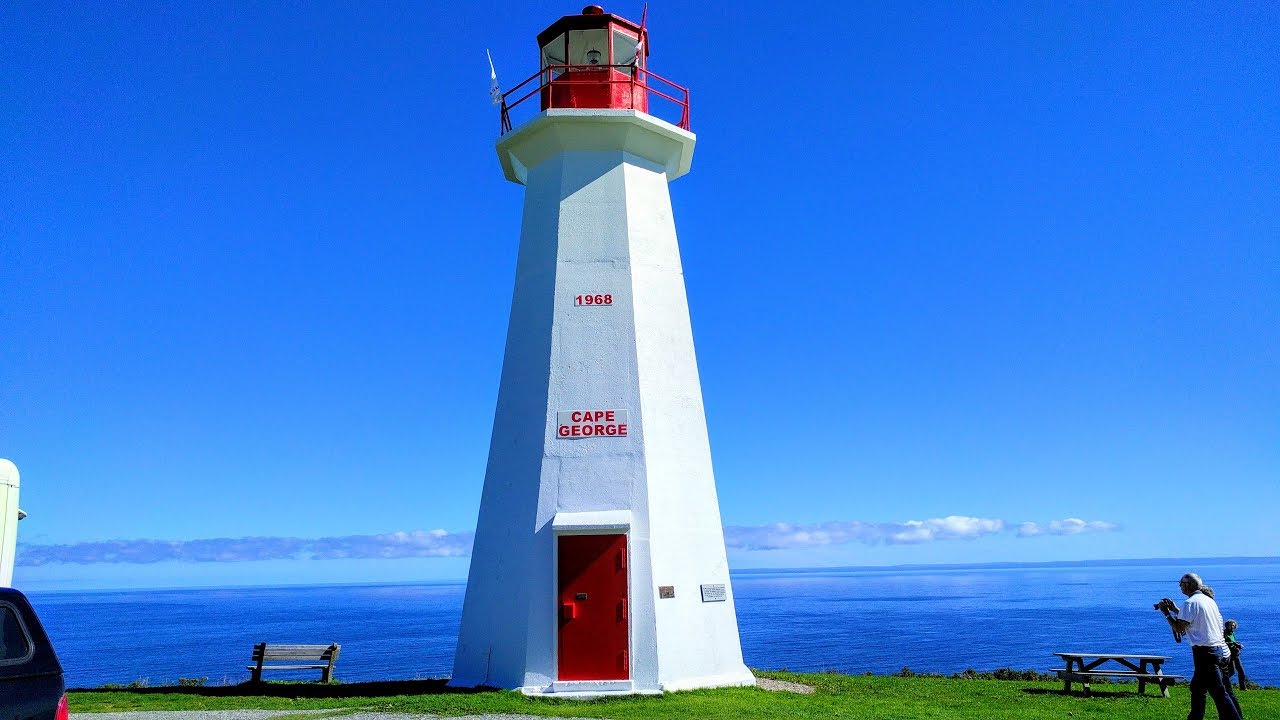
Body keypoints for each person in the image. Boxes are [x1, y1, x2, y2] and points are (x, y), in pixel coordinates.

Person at [1161, 573, 1243, 720]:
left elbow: (1180, 628)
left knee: (1219, 692)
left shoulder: (1190, 603)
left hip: (1205, 653)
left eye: (1181, 583)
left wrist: (1166, 614)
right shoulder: (1208, 601)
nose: (1180, 586)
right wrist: (1174, 609)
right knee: (1197, 689)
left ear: (1187, 585)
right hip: (1217, 650)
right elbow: (1194, 620)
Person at [1224, 619, 1249, 689]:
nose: (1232, 627)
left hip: (1235, 654)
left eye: (1233, 625)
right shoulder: (1224, 633)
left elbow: (1233, 641)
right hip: (1230, 654)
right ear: (1227, 626)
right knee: (1231, 671)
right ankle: (1221, 683)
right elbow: (1223, 643)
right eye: (1231, 625)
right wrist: (1233, 643)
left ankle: (1243, 687)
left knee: (1241, 671)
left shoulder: (1232, 633)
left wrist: (1237, 644)